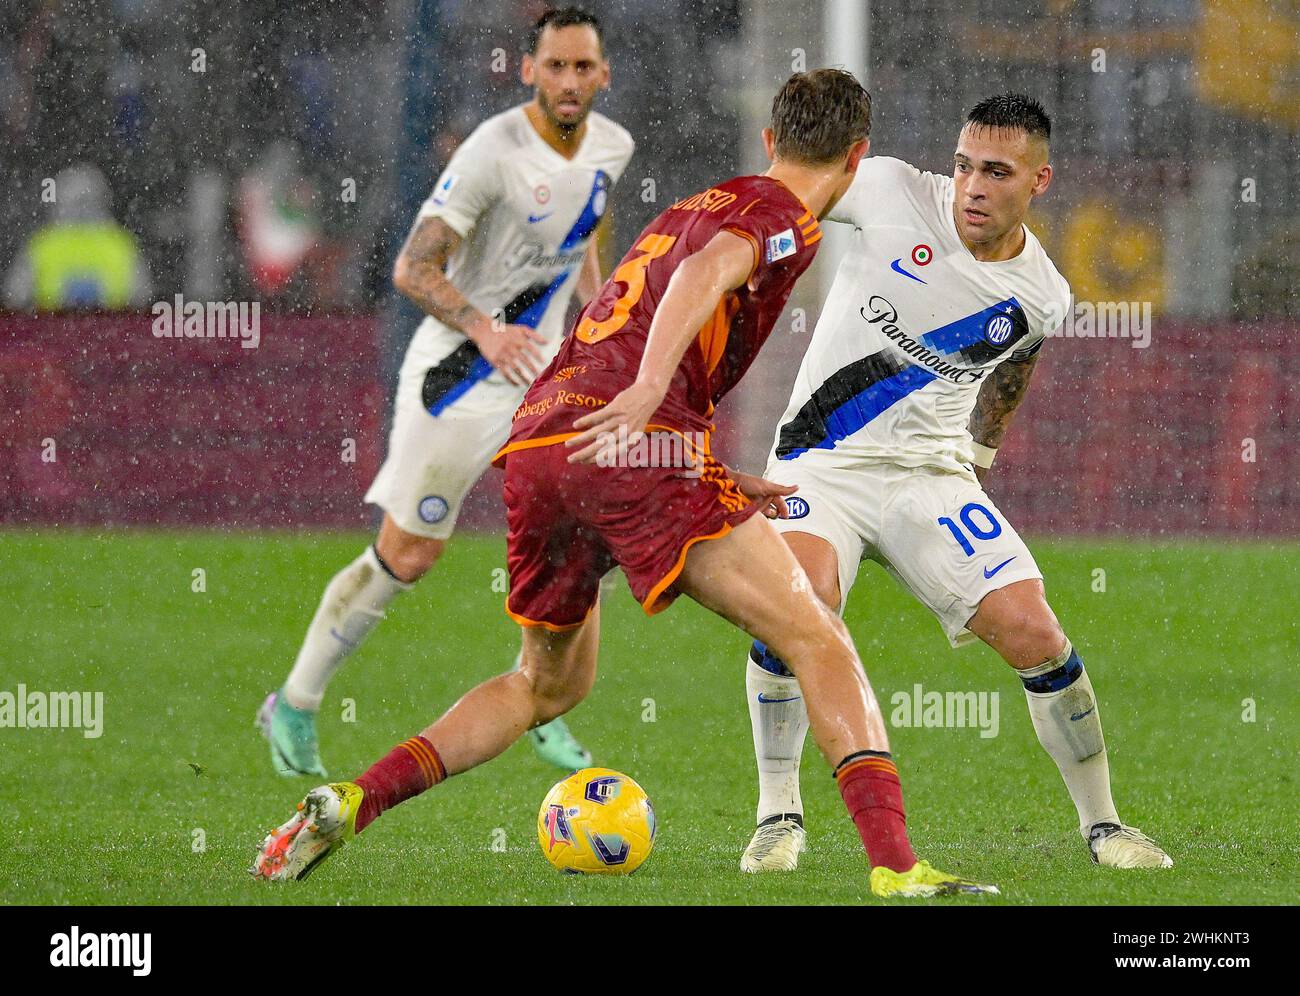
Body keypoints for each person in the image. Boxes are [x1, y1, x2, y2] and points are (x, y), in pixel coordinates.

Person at [252, 69, 999, 899]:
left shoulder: (701, 203)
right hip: (634, 441)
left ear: (768, 142)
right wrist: (650, 397)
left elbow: (656, 298)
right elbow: (701, 279)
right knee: (817, 636)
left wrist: (707, 465)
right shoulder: (782, 216)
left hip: (544, 441)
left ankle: (356, 798)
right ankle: (897, 868)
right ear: (856, 157)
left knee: (545, 684)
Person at [737, 94, 1173, 873]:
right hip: (819, 461)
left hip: (928, 476)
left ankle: (1106, 826)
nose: (972, 185)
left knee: (1037, 634)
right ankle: (778, 816)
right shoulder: (892, 189)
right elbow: (786, 191)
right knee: (798, 604)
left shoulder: (1042, 295)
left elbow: (1017, 363)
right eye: (965, 164)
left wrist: (980, 453)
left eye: (996, 173)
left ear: (1039, 181)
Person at [257, 7, 634, 776]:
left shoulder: (612, 147)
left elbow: (587, 234)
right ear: (527, 70)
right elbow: (412, 269)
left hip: (547, 374)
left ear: (603, 75)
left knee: (580, 529)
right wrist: (488, 331)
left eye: (582, 67)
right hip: (460, 374)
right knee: (410, 553)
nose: (568, 81)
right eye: (554, 66)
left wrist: (598, 334)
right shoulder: (493, 152)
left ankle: (543, 698)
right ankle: (293, 701)